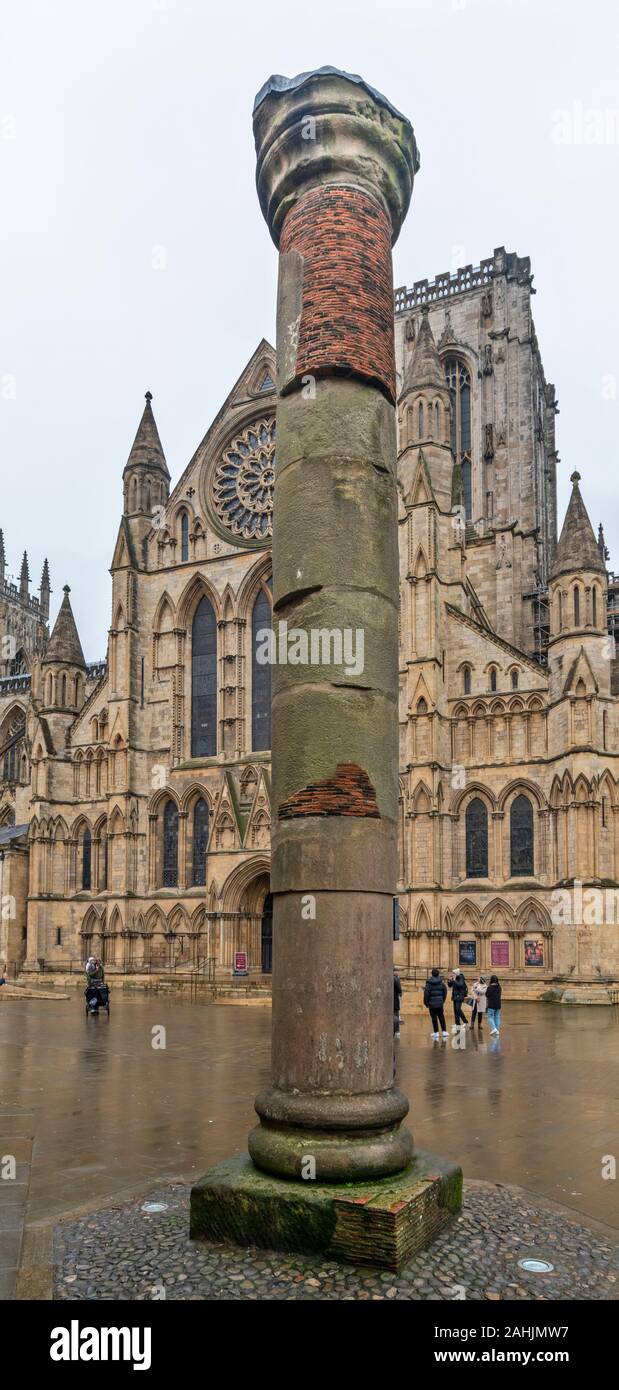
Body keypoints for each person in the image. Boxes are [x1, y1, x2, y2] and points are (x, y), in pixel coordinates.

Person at [423, 968, 449, 1041]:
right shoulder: (442, 983)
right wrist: (442, 1000)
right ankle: (444, 1031)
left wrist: (426, 1003)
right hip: (440, 1003)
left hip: (432, 1004)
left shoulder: (428, 984)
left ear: (432, 974)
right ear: (438, 974)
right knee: (441, 1017)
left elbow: (426, 994)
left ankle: (436, 1032)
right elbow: (445, 992)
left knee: (434, 1018)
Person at [393, 968, 402, 1038]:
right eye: (397, 971)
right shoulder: (396, 979)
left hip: (391, 999)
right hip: (395, 999)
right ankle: (397, 1030)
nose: (398, 972)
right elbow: (399, 989)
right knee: (396, 1014)